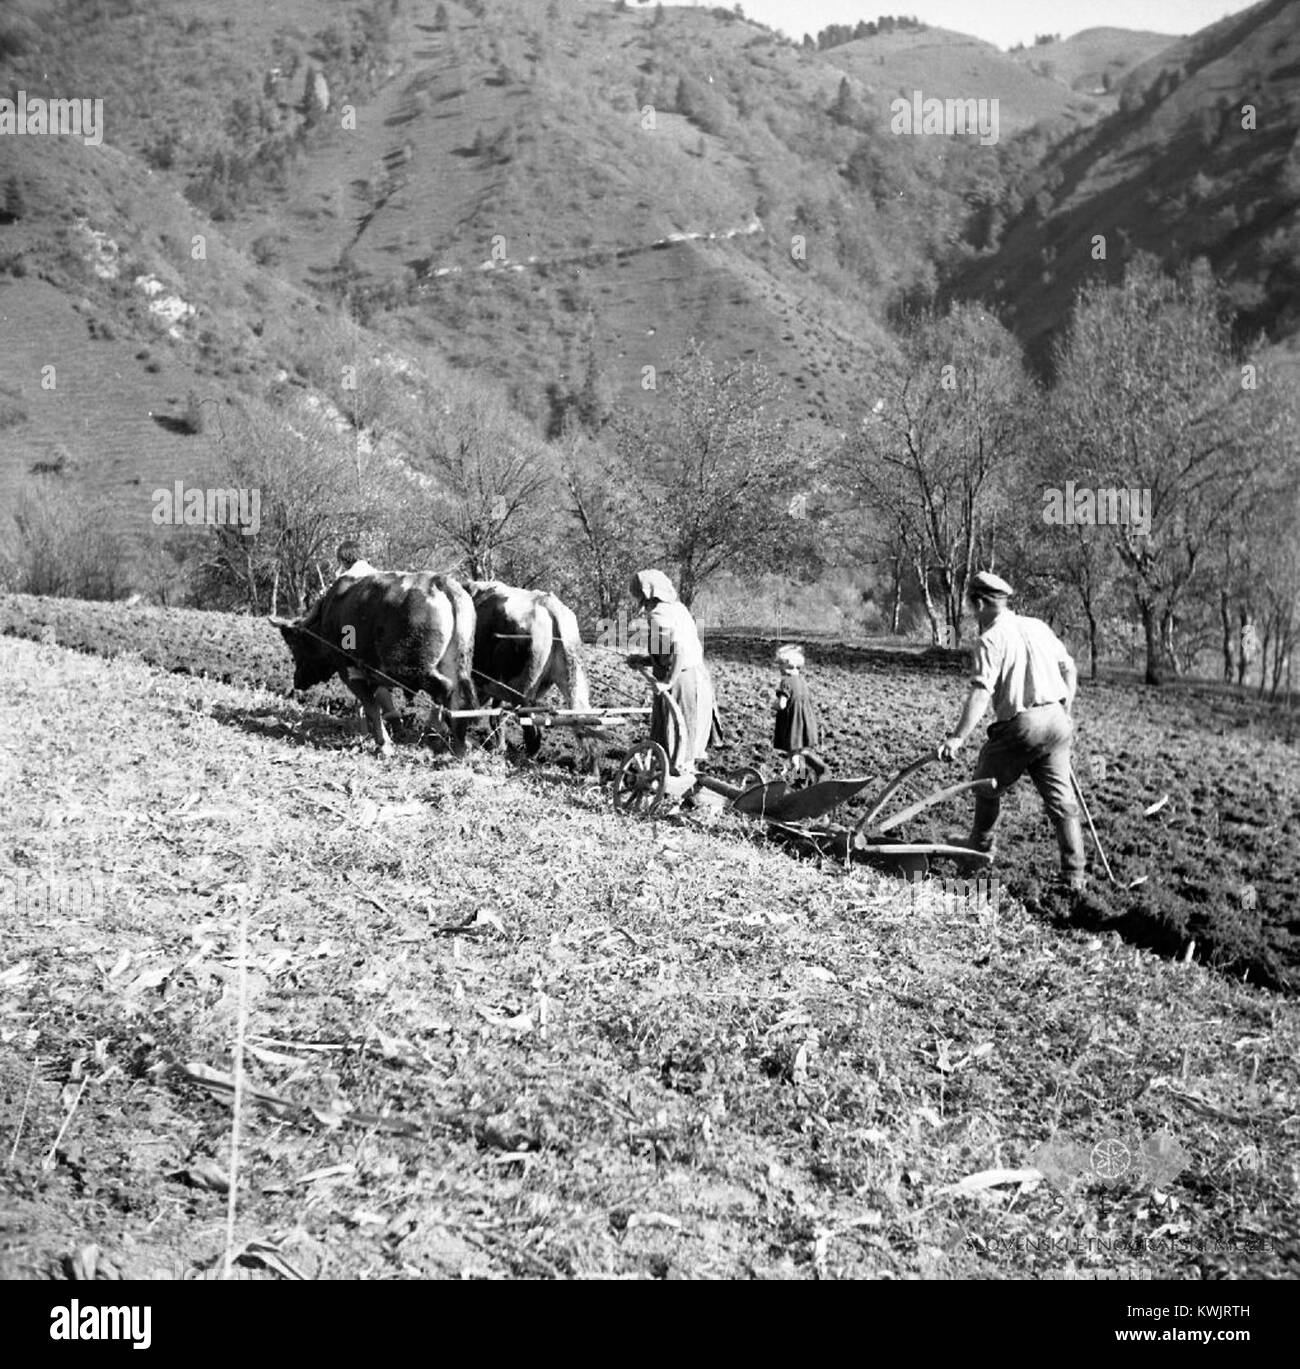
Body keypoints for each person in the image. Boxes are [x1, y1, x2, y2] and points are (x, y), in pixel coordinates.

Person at [937, 571, 1086, 893]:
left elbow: (981, 692)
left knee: (986, 784)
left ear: (978, 602)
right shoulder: (1037, 626)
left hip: (1022, 725)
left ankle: (978, 851)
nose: (973, 614)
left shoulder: (990, 639)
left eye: (972, 608)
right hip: (1058, 721)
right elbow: (1069, 667)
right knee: (1062, 803)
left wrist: (957, 736)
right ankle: (1074, 875)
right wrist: (1066, 708)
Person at [626, 569, 722, 775]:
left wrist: (668, 681)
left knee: (677, 729)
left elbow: (679, 650)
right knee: (678, 729)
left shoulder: (658, 616)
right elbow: (667, 651)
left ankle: (675, 773)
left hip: (681, 679)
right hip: (693, 675)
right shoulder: (678, 609)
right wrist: (642, 660)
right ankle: (672, 769)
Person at [772, 644, 829, 784]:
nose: (779, 668)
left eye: (780, 665)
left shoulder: (786, 682)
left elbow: (782, 704)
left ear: (787, 665)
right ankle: (818, 769)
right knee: (801, 751)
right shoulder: (802, 682)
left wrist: (773, 704)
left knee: (794, 757)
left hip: (793, 726)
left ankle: (800, 781)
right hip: (805, 724)